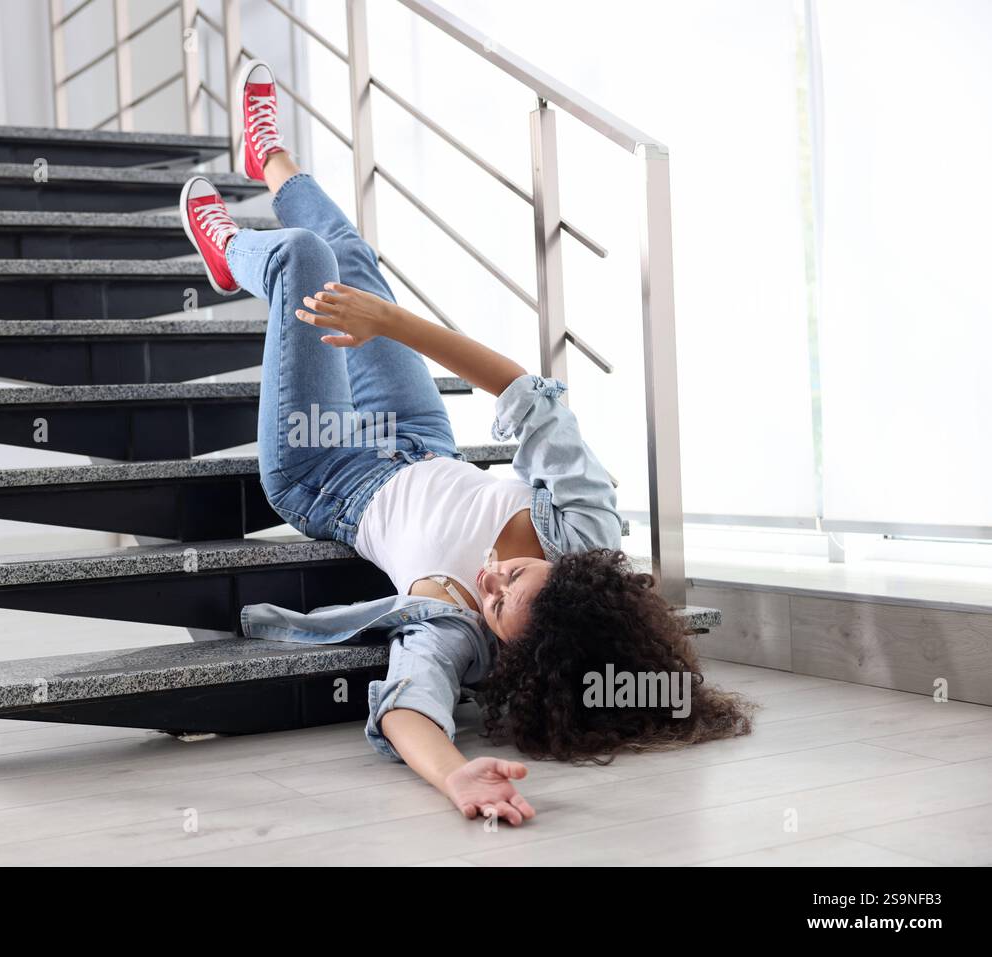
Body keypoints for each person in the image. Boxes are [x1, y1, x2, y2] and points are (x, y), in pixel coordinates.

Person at [180, 59, 753, 826]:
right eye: (513, 579)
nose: (489, 580)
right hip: (418, 435)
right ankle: (270, 160)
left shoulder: (458, 631)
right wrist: (392, 324)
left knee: (306, 262)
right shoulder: (582, 527)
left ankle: (229, 255)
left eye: (497, 603)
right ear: (574, 581)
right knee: (353, 261)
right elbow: (527, 392)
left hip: (324, 472)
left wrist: (455, 776)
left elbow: (408, 708)